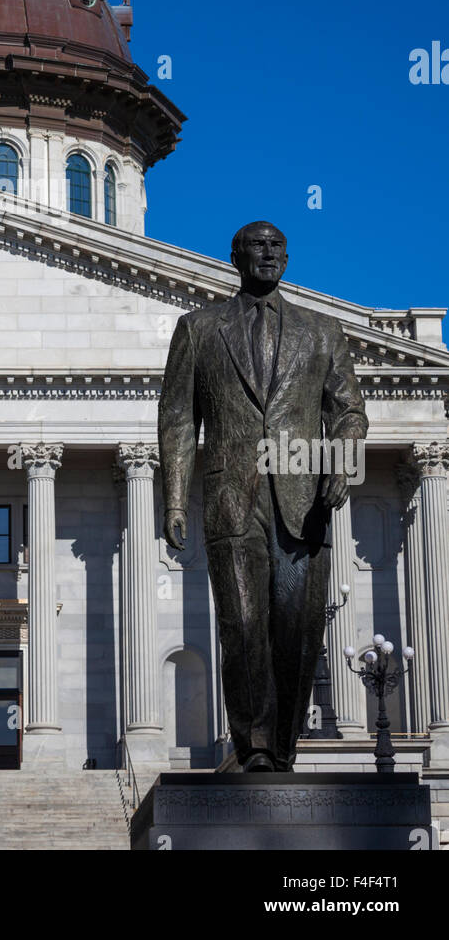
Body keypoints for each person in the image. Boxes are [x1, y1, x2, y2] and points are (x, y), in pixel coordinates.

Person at [158, 221, 368, 771]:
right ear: (234, 257)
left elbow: (348, 412)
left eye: (277, 246)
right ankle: (253, 747)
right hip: (232, 498)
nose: (268, 253)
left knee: (296, 634)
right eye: (257, 245)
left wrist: (342, 461)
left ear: (288, 257)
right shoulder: (199, 329)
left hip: (304, 501)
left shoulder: (322, 331)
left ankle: (284, 748)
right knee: (242, 625)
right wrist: (176, 500)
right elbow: (179, 420)